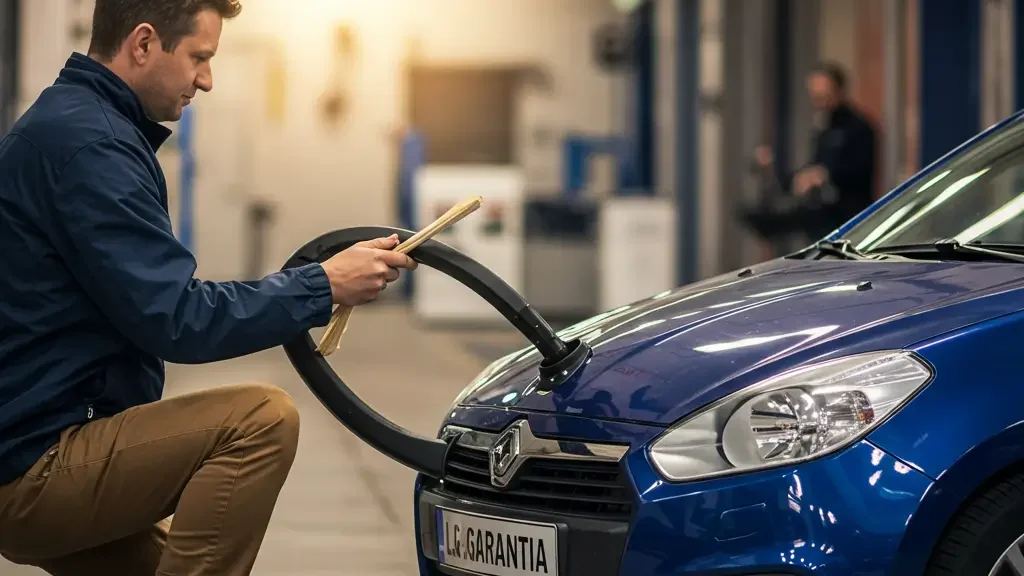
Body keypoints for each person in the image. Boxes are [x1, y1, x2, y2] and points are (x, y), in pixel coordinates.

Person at [0, 1, 417, 574]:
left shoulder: (80, 127)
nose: (207, 79)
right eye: (199, 57)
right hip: (33, 469)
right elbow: (177, 317)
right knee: (260, 420)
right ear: (144, 44)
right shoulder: (89, 146)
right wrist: (322, 285)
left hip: (38, 449)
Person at [742, 61, 878, 243]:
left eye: (823, 94)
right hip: (820, 215)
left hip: (847, 218)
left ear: (838, 90)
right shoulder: (823, 127)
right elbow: (815, 164)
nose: (819, 100)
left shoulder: (858, 128)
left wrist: (824, 175)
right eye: (815, 95)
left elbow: (858, 171)